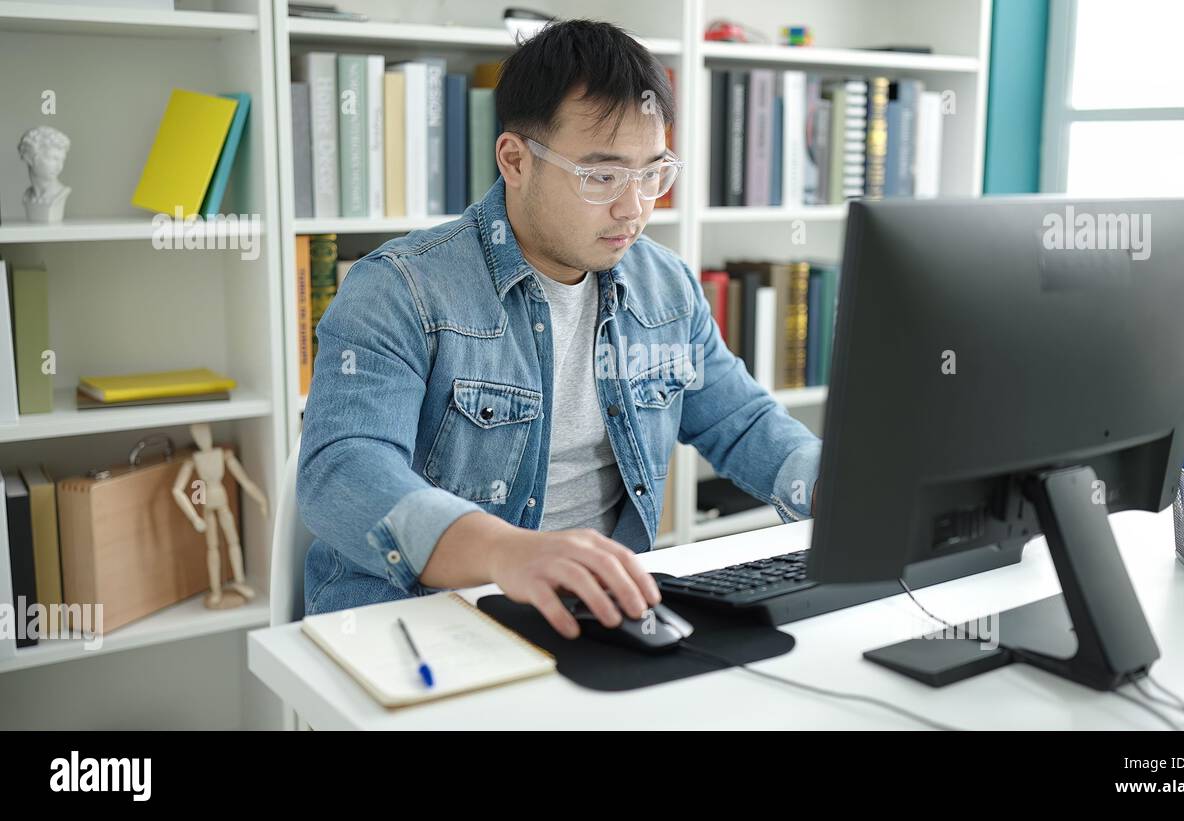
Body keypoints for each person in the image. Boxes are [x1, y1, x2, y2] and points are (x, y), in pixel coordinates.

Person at [299, 19, 821, 639]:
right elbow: (343, 471)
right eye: (601, 176)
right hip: (414, 627)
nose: (633, 208)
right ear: (515, 159)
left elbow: (745, 424)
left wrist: (837, 487)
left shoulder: (666, 287)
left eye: (653, 173)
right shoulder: (398, 289)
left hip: (597, 620)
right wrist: (503, 551)